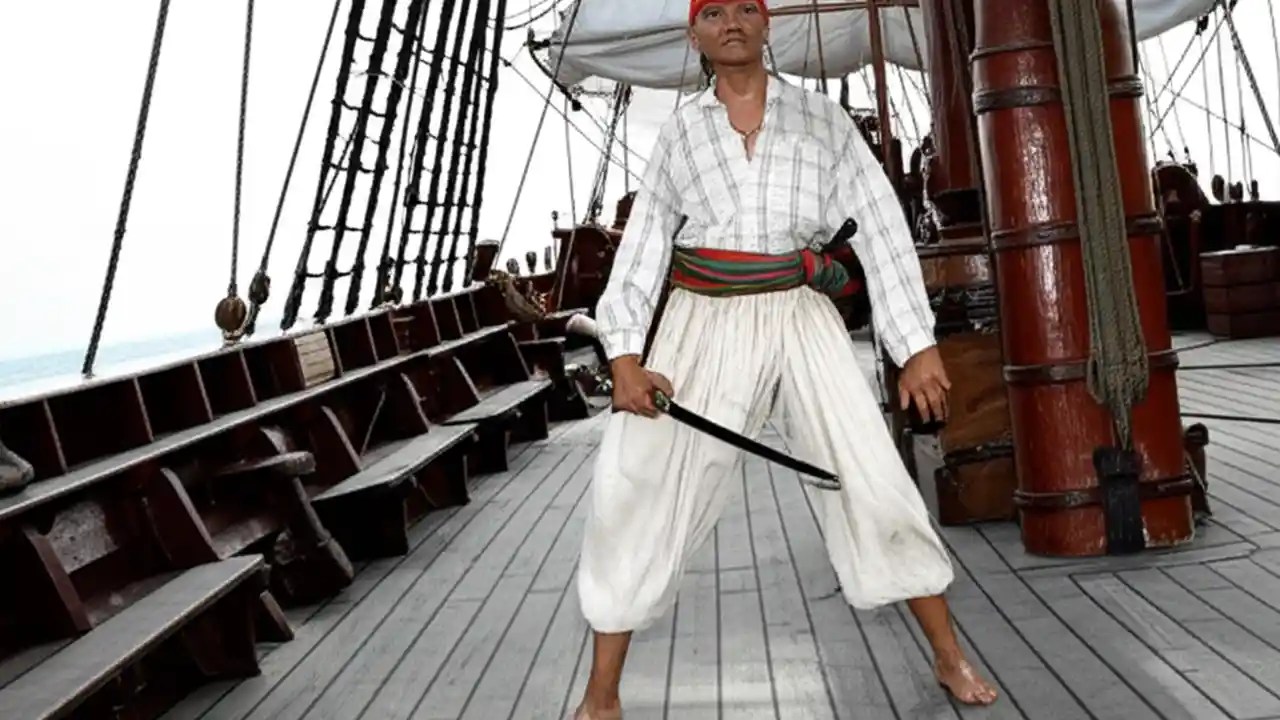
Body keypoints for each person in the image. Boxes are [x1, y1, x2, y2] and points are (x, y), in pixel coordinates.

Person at [574, 1, 999, 716]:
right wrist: (623, 355)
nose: (732, 22)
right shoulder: (681, 133)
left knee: (870, 475)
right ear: (695, 33)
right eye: (714, 12)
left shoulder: (822, 121)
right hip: (702, 319)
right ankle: (601, 694)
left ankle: (948, 655)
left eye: (747, 7)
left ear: (767, 24)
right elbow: (643, 246)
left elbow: (882, 226)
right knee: (637, 485)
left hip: (800, 314)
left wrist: (916, 346)